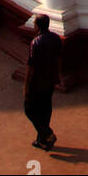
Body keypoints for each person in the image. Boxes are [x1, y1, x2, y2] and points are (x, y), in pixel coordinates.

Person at [24, 13, 62, 151]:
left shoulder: (36, 42)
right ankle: (42, 139)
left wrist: (26, 86)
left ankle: (47, 133)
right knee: (45, 108)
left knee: (29, 109)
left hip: (37, 82)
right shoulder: (56, 38)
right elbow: (59, 59)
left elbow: (31, 67)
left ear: (38, 26)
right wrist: (58, 75)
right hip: (50, 80)